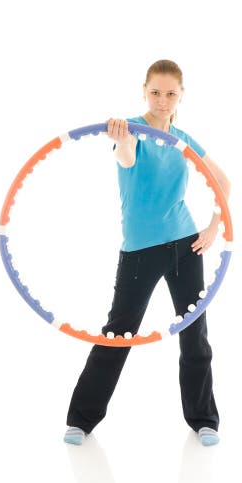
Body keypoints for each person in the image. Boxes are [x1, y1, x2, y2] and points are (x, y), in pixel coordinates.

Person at [64, 60, 230, 447]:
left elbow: (222, 181)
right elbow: (126, 157)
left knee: (195, 335)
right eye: (155, 92)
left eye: (170, 93)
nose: (162, 100)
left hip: (186, 245)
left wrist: (213, 227)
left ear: (181, 95)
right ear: (144, 91)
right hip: (140, 251)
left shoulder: (184, 138)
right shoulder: (130, 129)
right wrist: (122, 138)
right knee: (118, 334)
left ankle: (204, 420)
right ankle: (81, 421)